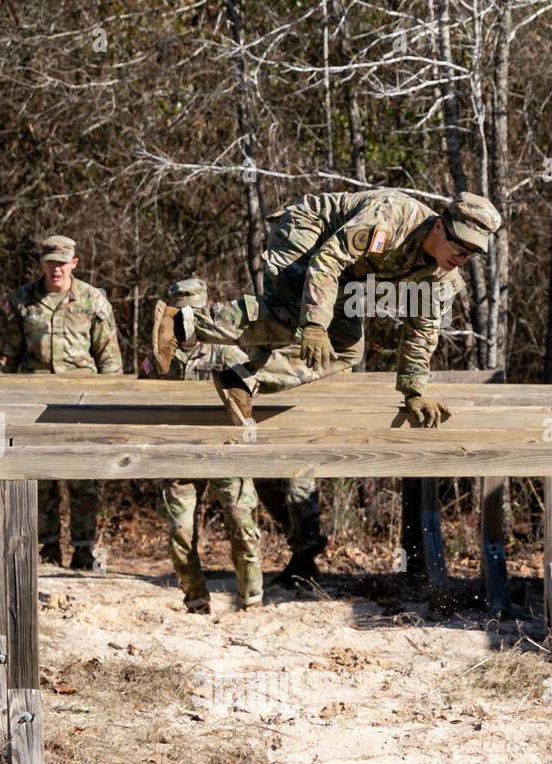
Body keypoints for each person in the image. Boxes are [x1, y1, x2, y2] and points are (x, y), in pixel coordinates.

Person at [152, 189, 501, 583]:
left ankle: (244, 378)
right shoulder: (390, 217)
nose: (462, 256)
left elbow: (422, 331)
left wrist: (414, 389)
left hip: (346, 272)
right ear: (440, 226)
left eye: (472, 253)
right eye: (459, 244)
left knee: (347, 349)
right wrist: (315, 324)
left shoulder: (442, 279)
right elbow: (328, 259)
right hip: (309, 231)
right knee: (290, 316)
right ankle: (183, 323)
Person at [1, 234, 122, 569]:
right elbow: (8, 355)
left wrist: (110, 404)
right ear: (41, 263)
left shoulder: (92, 300)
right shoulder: (23, 300)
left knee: (82, 477)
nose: (56, 269)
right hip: (33, 401)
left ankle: (83, 548)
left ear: (74, 263)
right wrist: (2, 399)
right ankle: (47, 547)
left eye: (62, 262)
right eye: (50, 262)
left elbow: (109, 357)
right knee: (40, 478)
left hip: (80, 403)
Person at [153, 279, 262, 612]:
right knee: (180, 531)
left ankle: (251, 600)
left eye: (194, 310)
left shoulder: (227, 348)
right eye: (180, 309)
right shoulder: (161, 353)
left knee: (243, 525)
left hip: (226, 452)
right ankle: (196, 599)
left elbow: (253, 394)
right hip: (179, 453)